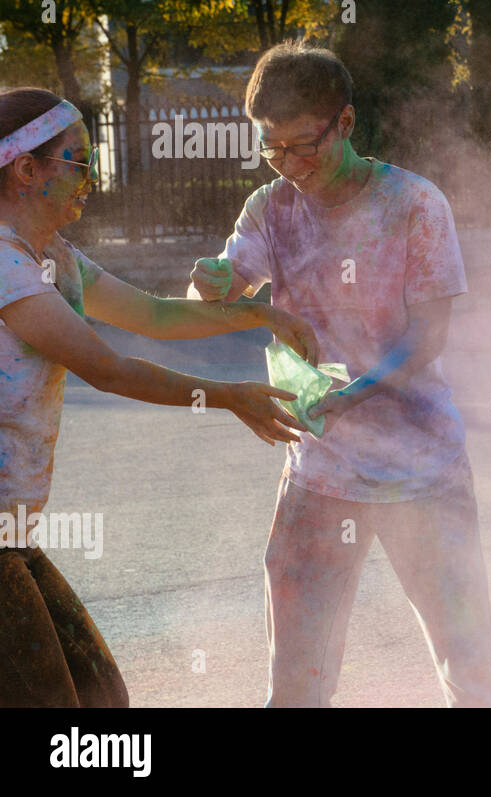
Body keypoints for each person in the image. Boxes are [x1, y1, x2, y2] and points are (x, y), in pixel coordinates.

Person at [188, 41, 491, 707]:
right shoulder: (271, 207)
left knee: (472, 664)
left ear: (345, 122)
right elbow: (215, 294)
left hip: (421, 470)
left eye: (304, 144)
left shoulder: (416, 204)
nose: (291, 165)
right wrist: (212, 281)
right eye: (271, 148)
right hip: (318, 473)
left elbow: (429, 337)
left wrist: (353, 394)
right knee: (296, 678)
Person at [0, 86, 315, 707]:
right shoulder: (6, 266)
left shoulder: (56, 258)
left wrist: (260, 314)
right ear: (26, 169)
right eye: (78, 161)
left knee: (102, 700)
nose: (92, 175)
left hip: (12, 534)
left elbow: (155, 315)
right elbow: (108, 369)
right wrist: (231, 396)